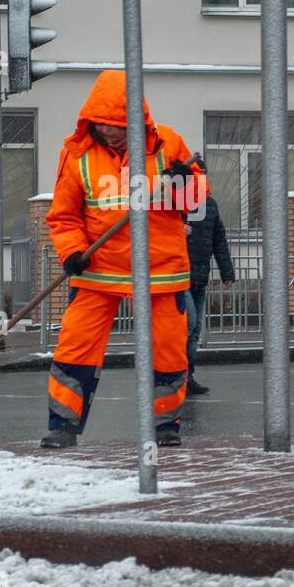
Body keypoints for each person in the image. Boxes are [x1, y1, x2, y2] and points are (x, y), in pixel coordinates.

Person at [42, 70, 207, 450]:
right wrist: (70, 253)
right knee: (75, 346)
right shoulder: (77, 154)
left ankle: (165, 425)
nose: (110, 132)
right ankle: (62, 427)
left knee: (167, 350)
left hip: (161, 271)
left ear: (138, 120)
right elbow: (64, 216)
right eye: (103, 124)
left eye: (118, 125)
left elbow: (195, 204)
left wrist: (186, 181)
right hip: (98, 271)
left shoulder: (169, 144)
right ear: (91, 121)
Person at [183, 172, 235, 396]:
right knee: (189, 324)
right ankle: (175, 375)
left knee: (195, 330)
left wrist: (227, 273)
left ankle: (187, 376)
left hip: (200, 277)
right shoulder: (176, 202)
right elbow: (157, 230)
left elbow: (218, 240)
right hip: (178, 277)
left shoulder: (210, 205)